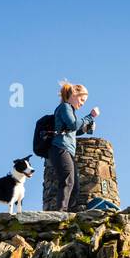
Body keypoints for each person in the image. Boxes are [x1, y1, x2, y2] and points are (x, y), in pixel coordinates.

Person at [45, 80, 100, 211]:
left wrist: (87, 128)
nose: (82, 104)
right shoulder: (65, 107)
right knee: (67, 180)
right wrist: (90, 116)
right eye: (82, 100)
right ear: (74, 94)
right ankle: (61, 212)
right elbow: (73, 125)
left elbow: (74, 131)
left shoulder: (70, 110)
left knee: (74, 185)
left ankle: (69, 212)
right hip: (60, 148)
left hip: (67, 150)